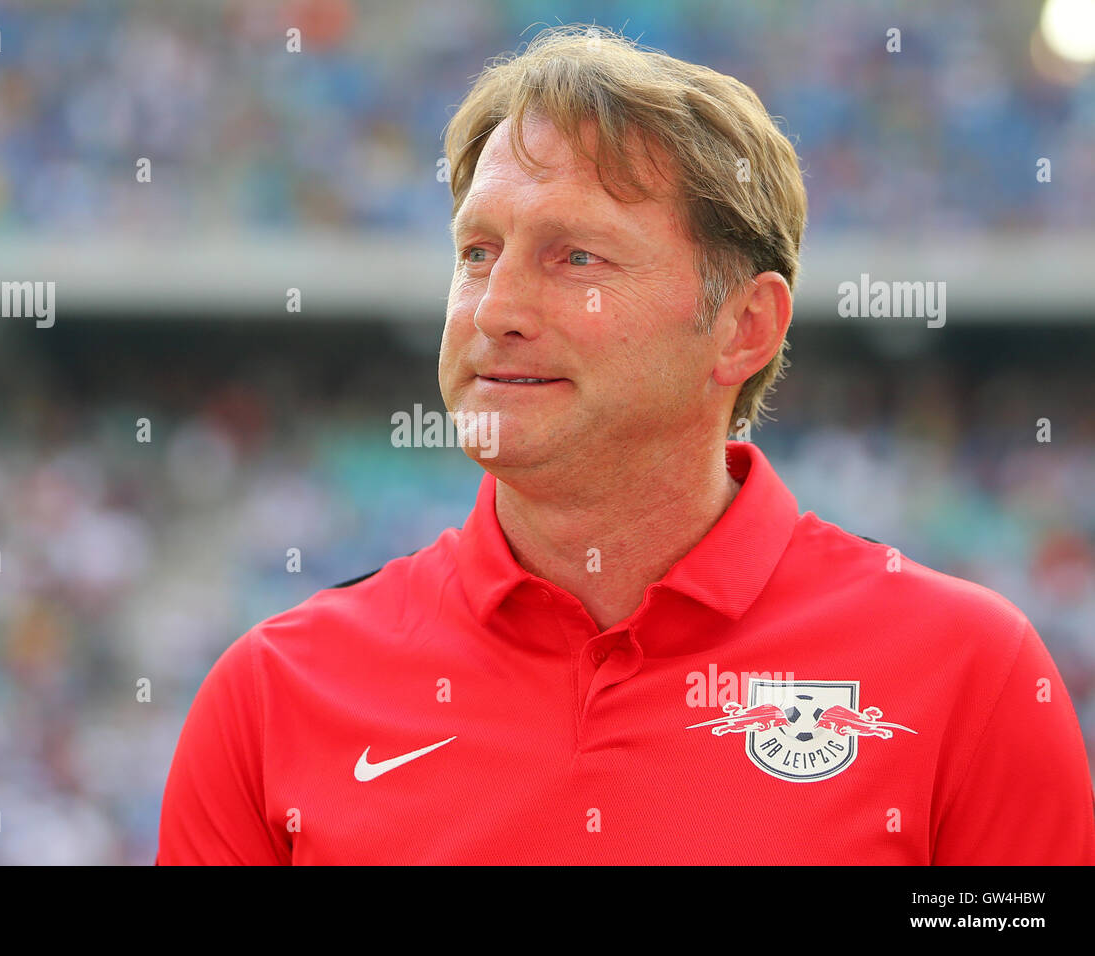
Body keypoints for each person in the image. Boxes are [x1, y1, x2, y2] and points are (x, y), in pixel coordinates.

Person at [157, 25, 1095, 864]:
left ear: (743, 329)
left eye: (576, 258)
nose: (496, 309)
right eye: (477, 252)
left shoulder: (971, 677)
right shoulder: (272, 695)